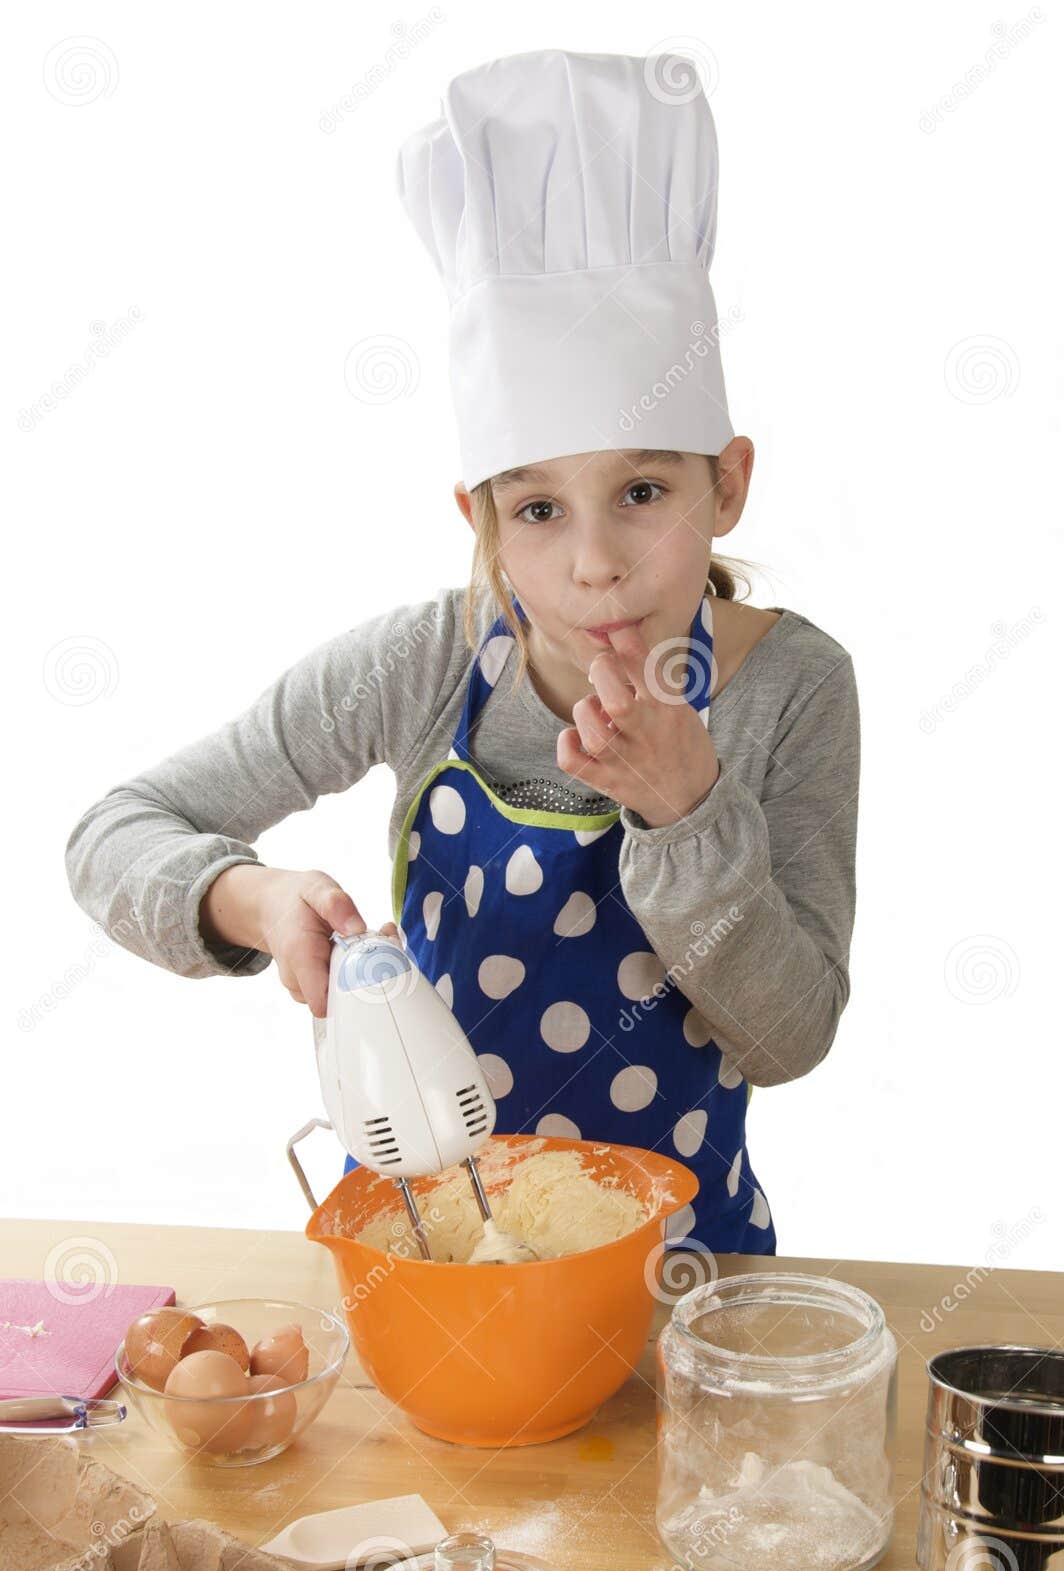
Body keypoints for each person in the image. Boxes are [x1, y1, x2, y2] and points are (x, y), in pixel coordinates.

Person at [66, 50, 859, 1254]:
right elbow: (115, 830)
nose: (593, 564)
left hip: (680, 1285)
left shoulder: (789, 689)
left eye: (641, 490)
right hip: (436, 1269)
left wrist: (685, 812)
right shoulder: (422, 666)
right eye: (536, 510)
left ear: (727, 483)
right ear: (478, 520)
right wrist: (254, 898)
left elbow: (784, 1038)